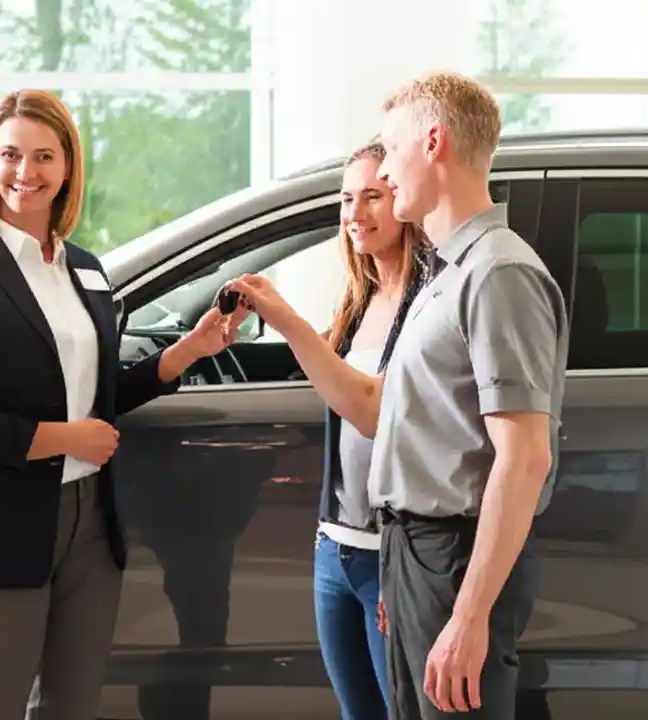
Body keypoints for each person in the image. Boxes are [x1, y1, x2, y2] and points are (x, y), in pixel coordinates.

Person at [228, 71, 569, 720]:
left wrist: (467, 616)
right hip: (414, 555)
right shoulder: (450, 273)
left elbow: (524, 458)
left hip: (451, 555)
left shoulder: (500, 274)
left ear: (434, 142)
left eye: (392, 148)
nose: (386, 170)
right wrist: (401, 568)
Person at [0, 88, 247, 720]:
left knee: (71, 709)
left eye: (43, 156)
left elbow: (100, 396)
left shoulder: (85, 270)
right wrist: (64, 439)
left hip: (91, 527)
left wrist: (190, 350)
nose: (25, 174)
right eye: (10, 155)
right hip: (0, 531)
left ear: (67, 167)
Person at [312, 138, 430, 720]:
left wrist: (285, 321)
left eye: (373, 197)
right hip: (336, 550)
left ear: (404, 200)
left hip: (393, 553)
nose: (356, 213)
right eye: (347, 199)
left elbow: (373, 409)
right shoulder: (357, 300)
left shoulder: (430, 299)